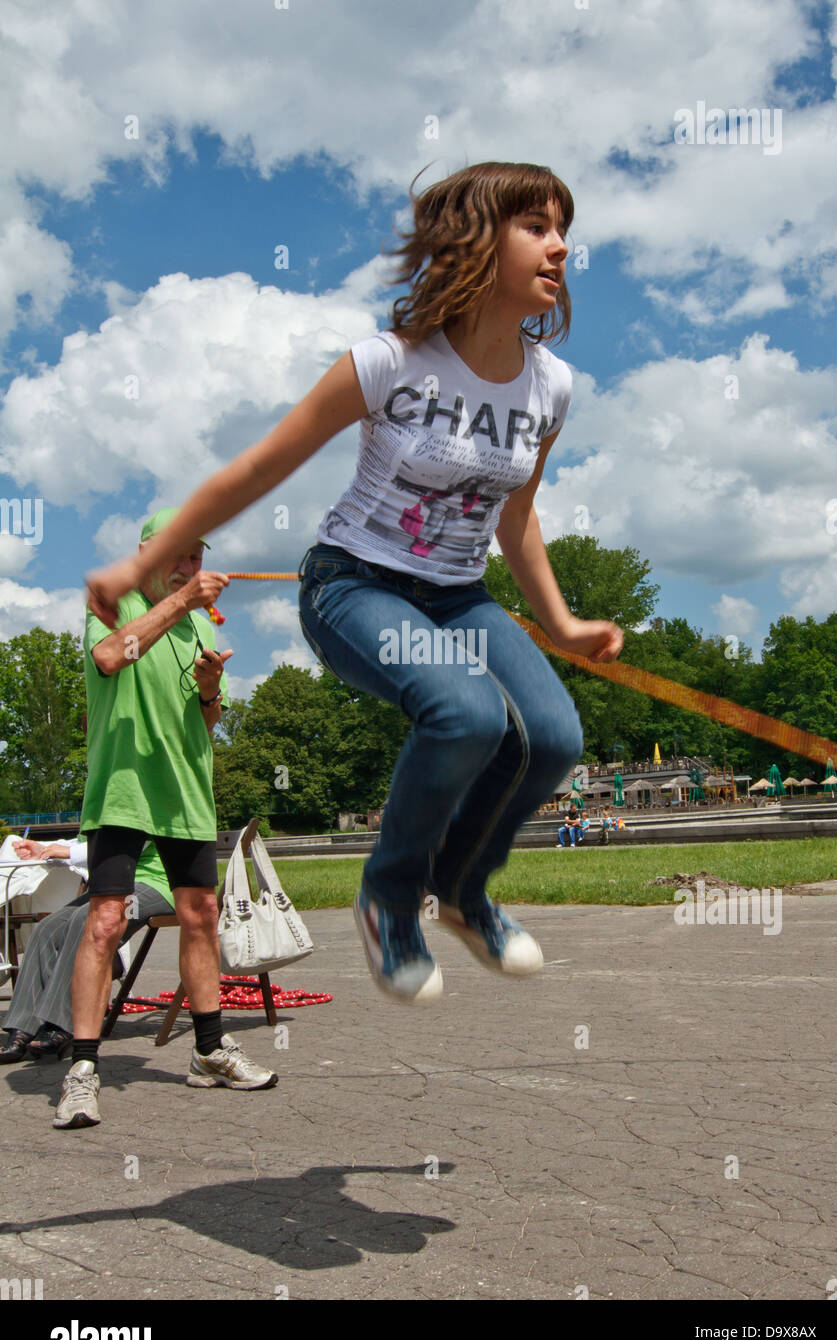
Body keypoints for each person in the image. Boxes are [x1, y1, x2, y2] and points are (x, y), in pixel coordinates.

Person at [83, 162, 624, 1007]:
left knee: (552, 736)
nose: (561, 245)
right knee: (467, 712)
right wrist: (142, 567)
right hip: (356, 587)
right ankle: (388, 899)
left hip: (459, 596)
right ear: (477, 243)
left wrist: (561, 622)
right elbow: (259, 467)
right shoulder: (390, 364)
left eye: (563, 226)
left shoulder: (548, 386)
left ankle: (466, 893)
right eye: (536, 226)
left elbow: (516, 513)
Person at [55, 511, 276, 1131]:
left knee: (200, 915)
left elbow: (206, 723)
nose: (191, 566)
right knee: (105, 921)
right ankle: (81, 1070)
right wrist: (181, 601)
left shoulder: (201, 623)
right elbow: (108, 656)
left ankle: (209, 1052)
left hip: (185, 792)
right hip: (123, 789)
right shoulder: (116, 603)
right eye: (179, 555)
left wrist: (209, 689)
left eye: (196, 556)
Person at [0, 836, 173, 1063]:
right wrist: (45, 850)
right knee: (47, 929)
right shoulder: (94, 802)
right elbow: (84, 843)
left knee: (85, 920)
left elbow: (124, 844)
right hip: (111, 886)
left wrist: (63, 852)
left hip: (154, 884)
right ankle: (23, 1027)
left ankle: (64, 1023)